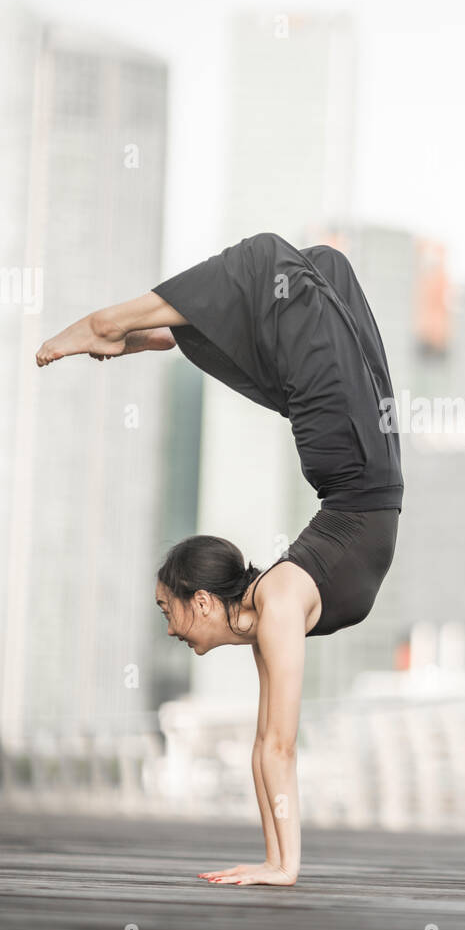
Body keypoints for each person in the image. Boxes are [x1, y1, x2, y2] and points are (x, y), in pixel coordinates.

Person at [36, 232, 404, 886]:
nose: (171, 630)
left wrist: (282, 866)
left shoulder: (282, 600)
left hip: (352, 462)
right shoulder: (272, 610)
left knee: (277, 269)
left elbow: (281, 747)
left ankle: (112, 323)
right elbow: (268, 746)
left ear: (202, 599)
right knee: (318, 280)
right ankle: (163, 333)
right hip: (359, 455)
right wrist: (273, 862)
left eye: (167, 611)